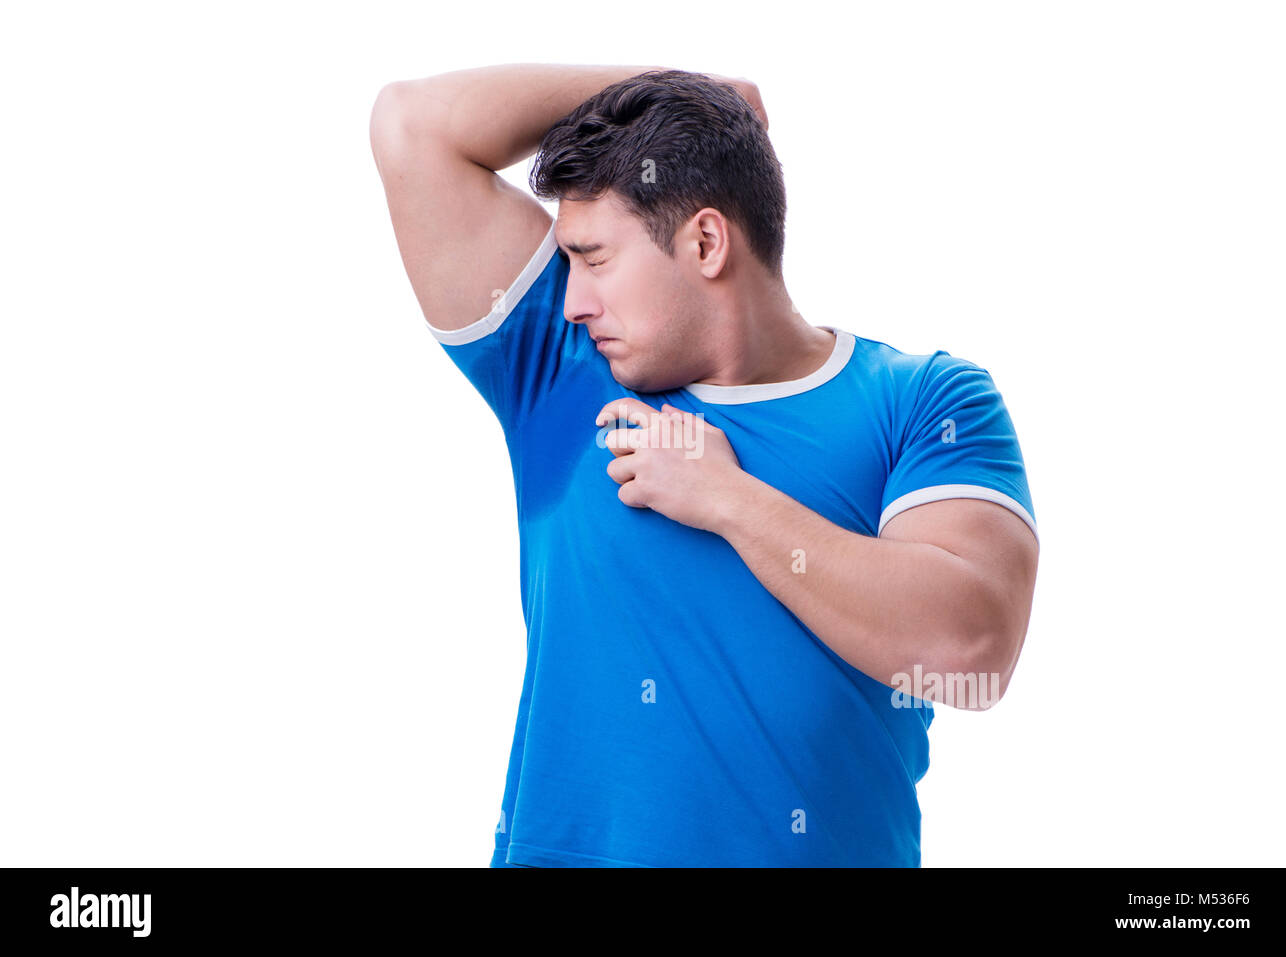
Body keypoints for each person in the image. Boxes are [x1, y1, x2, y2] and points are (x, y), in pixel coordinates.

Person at [368, 64, 1039, 867]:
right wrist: (681, 88)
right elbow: (412, 126)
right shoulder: (560, 368)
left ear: (707, 242)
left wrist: (727, 498)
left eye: (593, 258)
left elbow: (970, 645)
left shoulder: (922, 398)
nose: (572, 296)